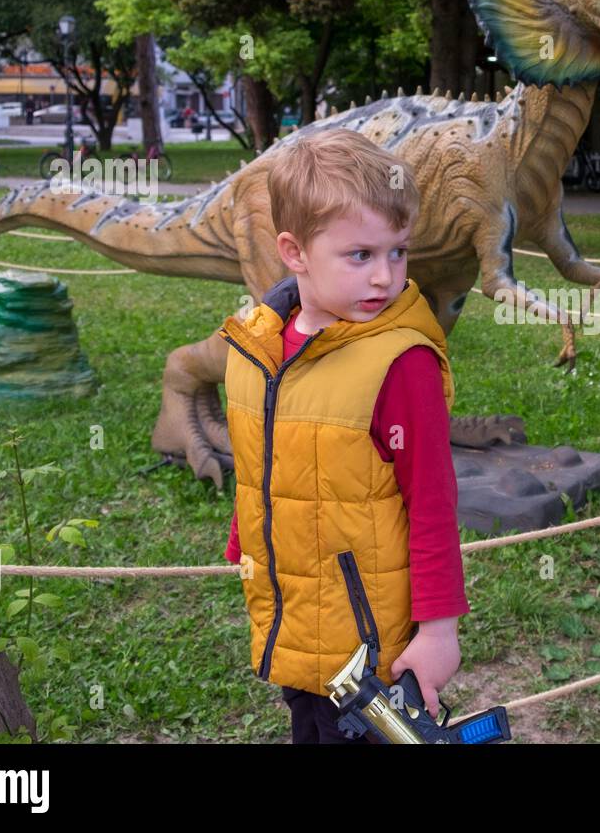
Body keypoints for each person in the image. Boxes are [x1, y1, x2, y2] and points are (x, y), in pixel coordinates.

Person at [218, 128, 469, 744]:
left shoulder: (400, 362)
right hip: (290, 618)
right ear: (294, 252)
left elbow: (432, 504)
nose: (385, 277)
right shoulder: (254, 348)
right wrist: (244, 543)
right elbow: (260, 459)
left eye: (398, 252)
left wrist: (439, 632)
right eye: (360, 255)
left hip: (369, 652)